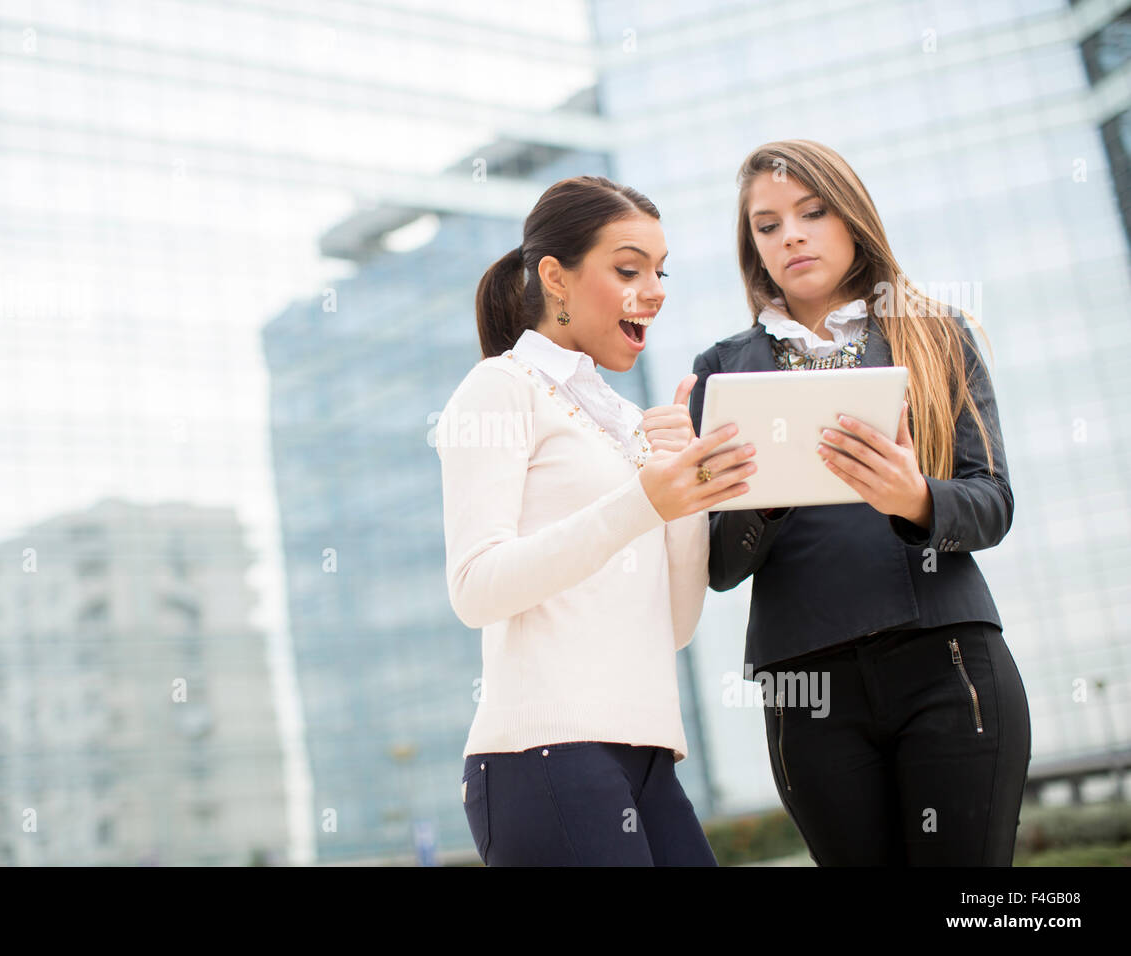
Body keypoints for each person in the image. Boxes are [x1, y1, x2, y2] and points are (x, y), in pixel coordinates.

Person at [688, 140, 1031, 865]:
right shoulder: (722, 372)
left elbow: (992, 503)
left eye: (812, 212)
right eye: (768, 224)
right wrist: (767, 498)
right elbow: (715, 566)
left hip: (948, 661)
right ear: (752, 246)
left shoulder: (936, 335)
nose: (792, 236)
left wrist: (914, 499)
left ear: (853, 219)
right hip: (806, 686)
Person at [435, 175, 754, 865]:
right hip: (544, 753)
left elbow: (673, 625)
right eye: (629, 268)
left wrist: (685, 495)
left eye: (659, 272)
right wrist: (645, 500)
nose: (656, 289)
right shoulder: (499, 389)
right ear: (555, 277)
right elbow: (476, 585)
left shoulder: (625, 425)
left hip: (646, 754)